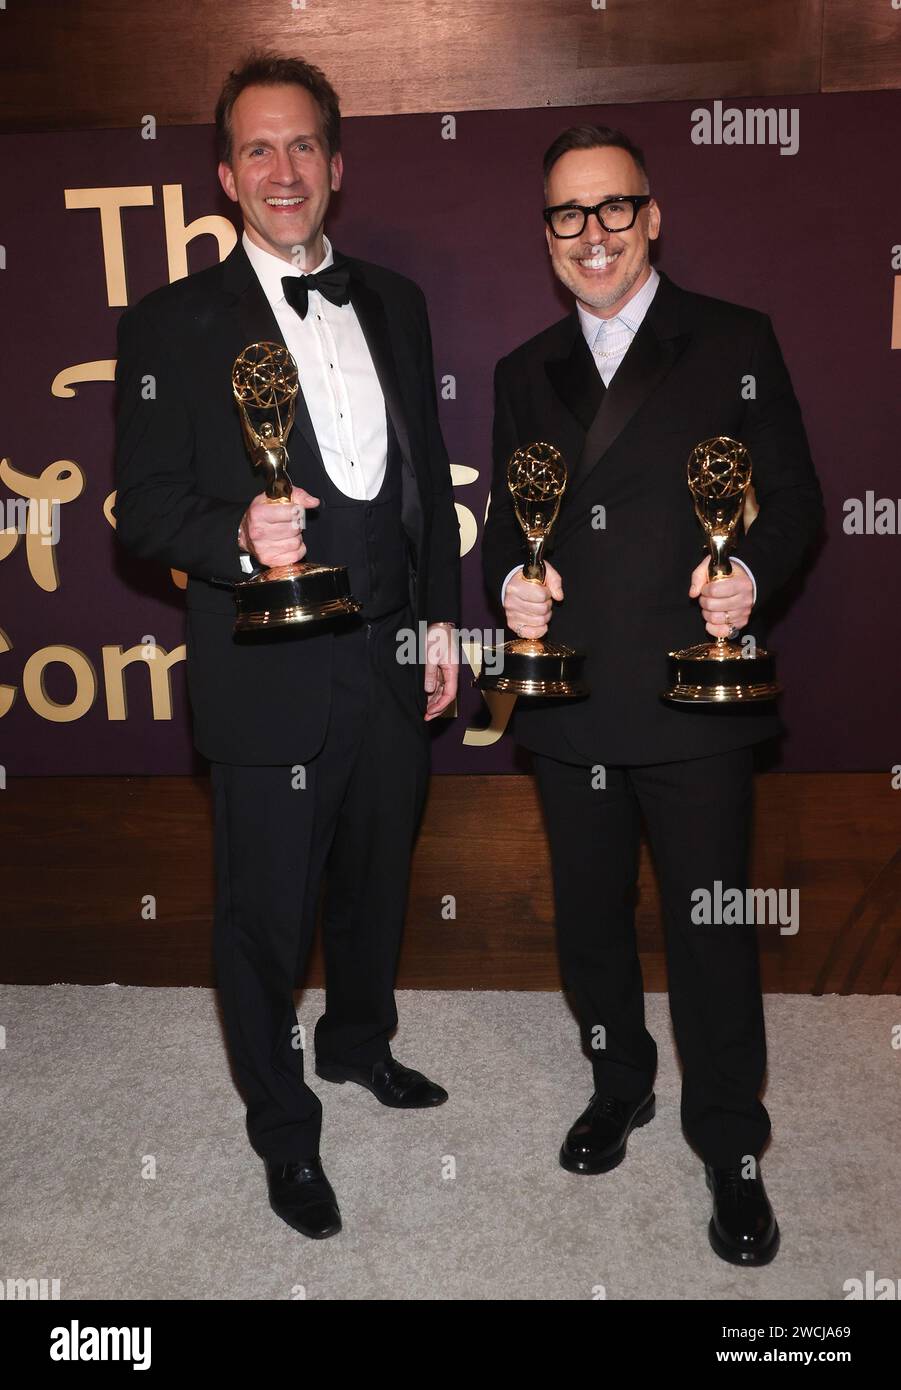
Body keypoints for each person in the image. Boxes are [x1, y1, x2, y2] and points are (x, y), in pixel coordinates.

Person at [115, 52, 460, 1239]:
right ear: (223, 174)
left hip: (388, 654)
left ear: (337, 166)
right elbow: (143, 505)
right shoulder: (169, 322)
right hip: (265, 668)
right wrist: (236, 531)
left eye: (303, 144)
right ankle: (282, 1128)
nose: (282, 168)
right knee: (265, 913)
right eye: (257, 147)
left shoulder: (398, 305)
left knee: (375, 876)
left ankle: (360, 1044)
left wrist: (440, 622)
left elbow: (423, 489)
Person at [482, 124, 823, 1266]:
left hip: (696, 696)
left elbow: (792, 505)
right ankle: (616, 1081)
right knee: (588, 922)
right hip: (571, 698)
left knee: (710, 932)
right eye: (567, 215)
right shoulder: (521, 371)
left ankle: (730, 1143)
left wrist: (747, 577)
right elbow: (503, 538)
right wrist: (511, 592)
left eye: (613, 208)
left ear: (653, 215)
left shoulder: (733, 340)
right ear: (546, 232)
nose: (593, 235)